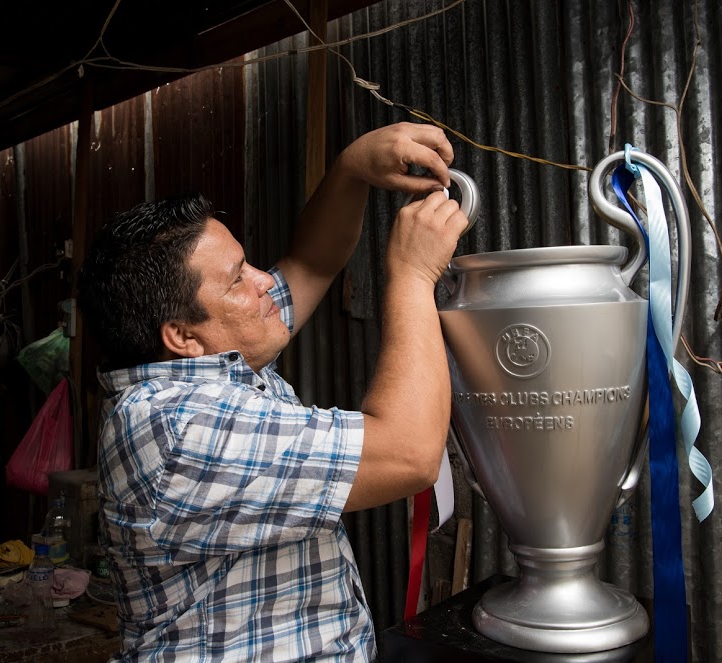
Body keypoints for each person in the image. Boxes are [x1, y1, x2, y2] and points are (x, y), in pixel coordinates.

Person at [77, 121, 469, 662]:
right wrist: (412, 274)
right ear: (183, 335)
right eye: (238, 277)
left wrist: (352, 166)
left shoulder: (212, 359)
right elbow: (409, 453)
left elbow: (312, 261)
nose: (265, 281)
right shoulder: (175, 430)